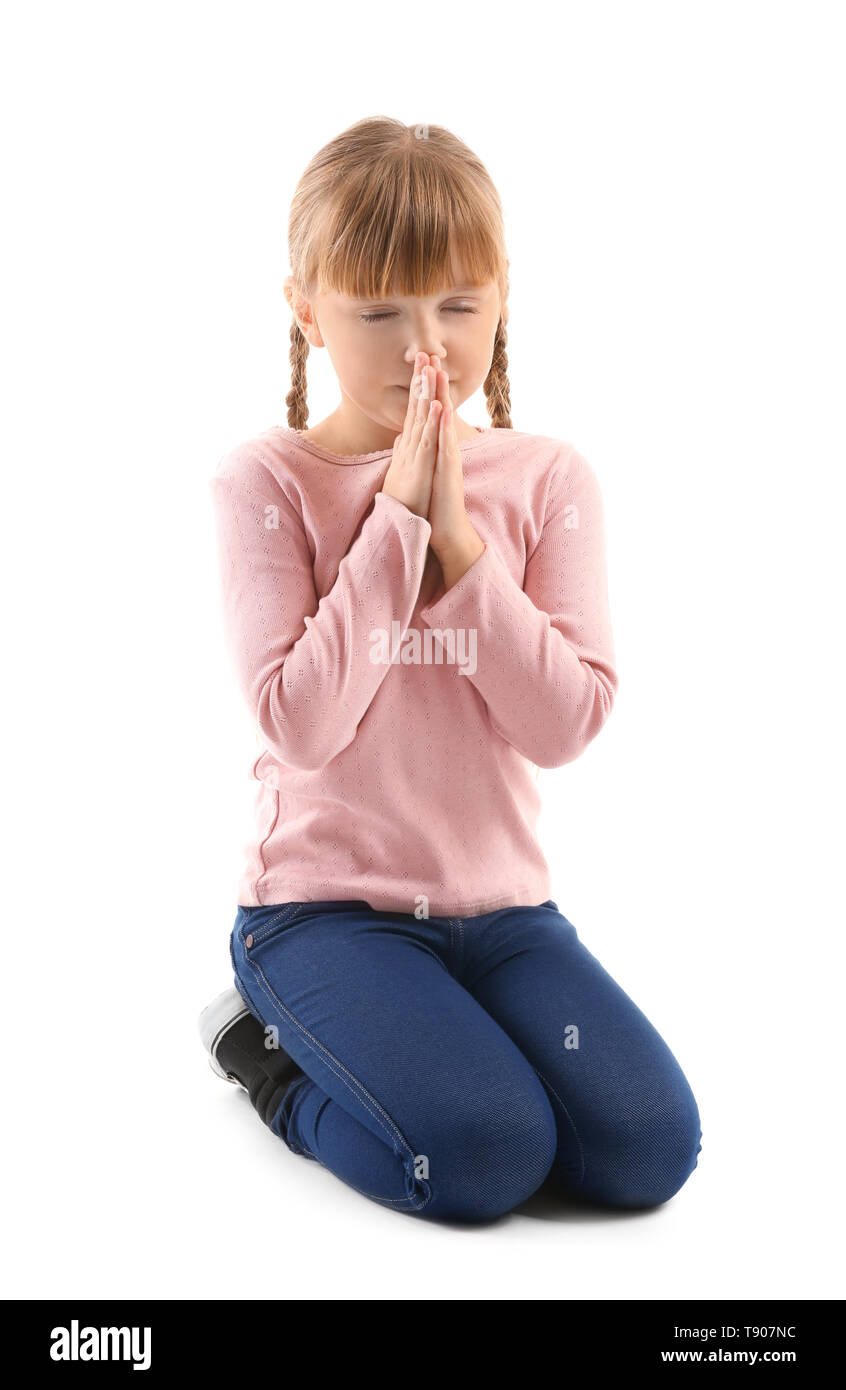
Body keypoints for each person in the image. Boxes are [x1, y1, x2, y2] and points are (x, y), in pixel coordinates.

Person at [198, 116, 702, 1224]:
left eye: (458, 305)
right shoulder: (266, 482)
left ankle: (450, 1052)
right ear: (307, 310)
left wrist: (463, 544)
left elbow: (567, 724)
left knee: (645, 1151)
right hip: (327, 916)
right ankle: (271, 1059)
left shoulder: (549, 476)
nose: (425, 347)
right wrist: (395, 524)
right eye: (378, 311)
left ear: (502, 295)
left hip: (506, 917)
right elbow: (302, 724)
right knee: (480, 1160)